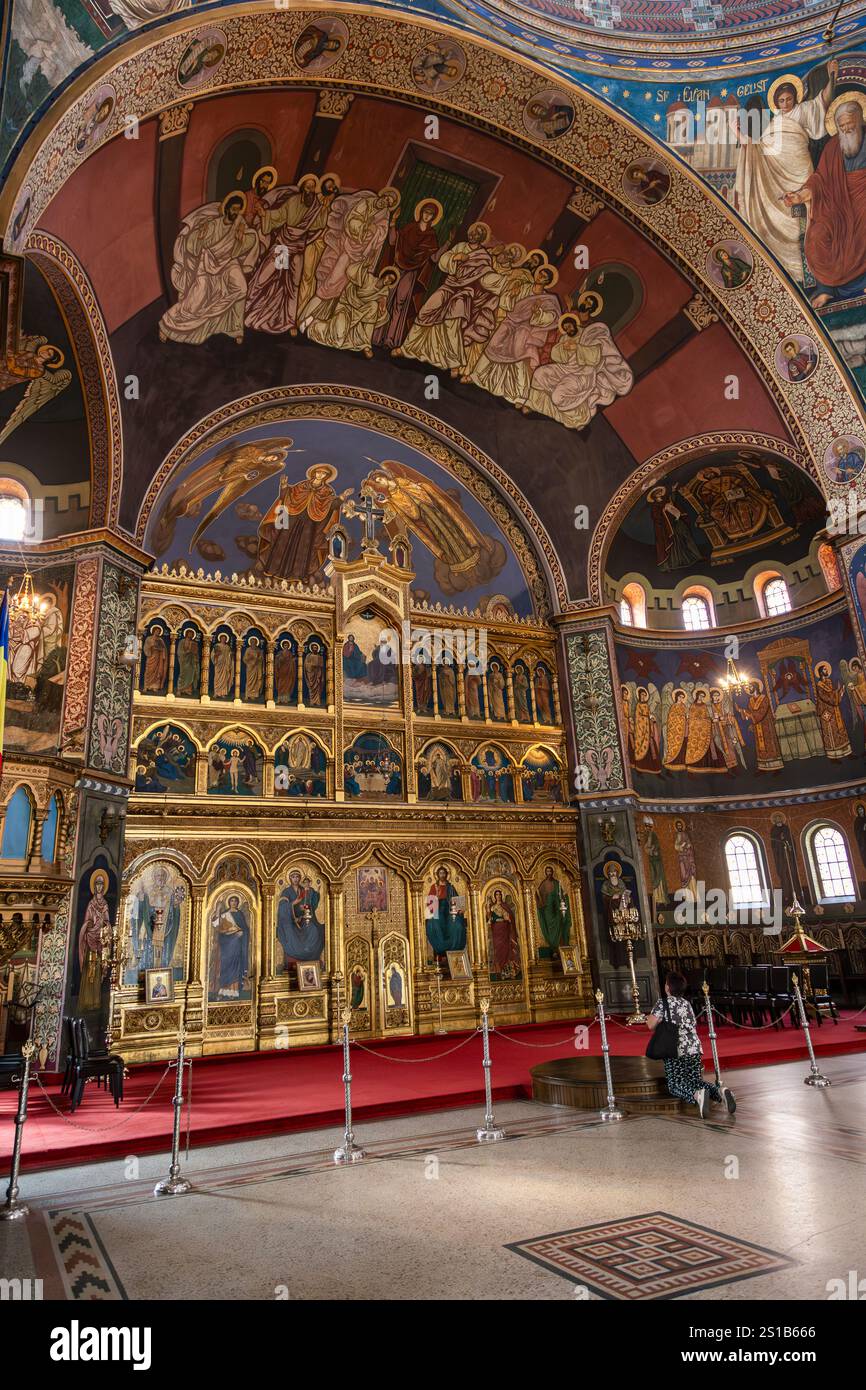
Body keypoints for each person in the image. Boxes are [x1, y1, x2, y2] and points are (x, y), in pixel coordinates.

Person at [646, 972, 735, 1119]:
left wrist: (650, 1018)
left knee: (675, 1085)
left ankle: (696, 1095)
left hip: (675, 1049)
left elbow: (651, 1025)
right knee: (695, 1080)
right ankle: (721, 1093)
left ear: (668, 987)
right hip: (694, 1047)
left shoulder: (663, 1003)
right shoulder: (686, 1003)